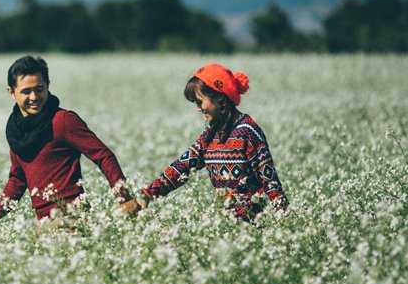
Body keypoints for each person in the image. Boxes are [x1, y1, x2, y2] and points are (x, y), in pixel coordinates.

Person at [122, 63, 288, 222]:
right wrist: (148, 195)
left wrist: (283, 217)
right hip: (224, 224)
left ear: (219, 97)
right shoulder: (209, 135)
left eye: (200, 102)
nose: (198, 108)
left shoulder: (247, 131)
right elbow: (183, 166)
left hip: (254, 223)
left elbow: (269, 179)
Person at [0, 55, 133, 229]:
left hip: (71, 217)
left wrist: (124, 198)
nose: (34, 97)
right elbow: (18, 180)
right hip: (44, 223)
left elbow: (103, 155)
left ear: (48, 86)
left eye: (39, 89)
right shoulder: (17, 133)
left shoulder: (63, 121)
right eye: (26, 91)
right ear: (11, 92)